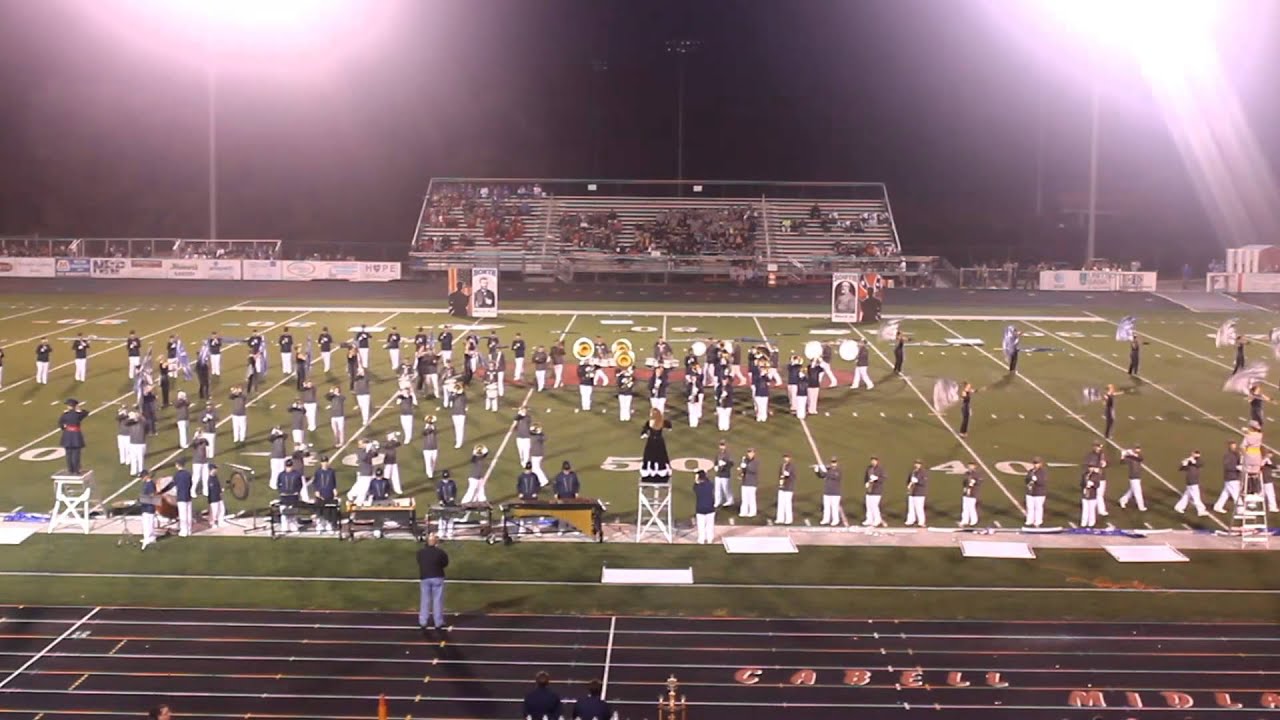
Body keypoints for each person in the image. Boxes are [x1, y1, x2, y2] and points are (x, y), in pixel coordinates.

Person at [417, 533, 449, 633]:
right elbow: (445, 563)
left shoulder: (421, 553)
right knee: (437, 600)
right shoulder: (440, 552)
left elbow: (419, 561)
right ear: (436, 542)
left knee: (425, 600)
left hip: (425, 577)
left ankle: (423, 622)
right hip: (437, 577)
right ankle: (438, 623)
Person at [639, 409, 673, 482]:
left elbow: (644, 430)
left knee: (650, 455)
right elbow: (669, 426)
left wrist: (644, 434)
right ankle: (660, 469)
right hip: (659, 440)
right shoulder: (661, 421)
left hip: (651, 441)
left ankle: (651, 470)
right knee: (660, 454)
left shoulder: (650, 422)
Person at [58, 399, 90, 475]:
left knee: (68, 454)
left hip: (67, 435)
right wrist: (79, 409)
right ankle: (76, 470)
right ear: (75, 406)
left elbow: (60, 424)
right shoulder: (78, 414)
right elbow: (86, 413)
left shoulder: (65, 414)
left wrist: (65, 428)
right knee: (76, 454)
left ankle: (70, 469)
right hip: (76, 435)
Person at [1175, 450, 1208, 516]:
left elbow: (1200, 464)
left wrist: (1193, 461)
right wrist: (1184, 464)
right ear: (1192, 454)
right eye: (1195, 454)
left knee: (1186, 496)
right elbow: (1181, 469)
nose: (1197, 455)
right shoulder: (1189, 462)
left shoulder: (1198, 461)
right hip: (1192, 482)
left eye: (1198, 454)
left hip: (1193, 482)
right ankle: (1201, 510)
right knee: (1196, 498)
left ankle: (1179, 507)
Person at [1215, 439, 1242, 514]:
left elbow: (1240, 462)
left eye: (1235, 445)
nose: (1234, 447)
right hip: (1230, 477)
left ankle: (1218, 506)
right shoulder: (1227, 455)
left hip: (1235, 477)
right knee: (1236, 494)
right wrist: (1236, 467)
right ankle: (1240, 509)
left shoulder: (1237, 454)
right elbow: (1227, 466)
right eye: (1232, 446)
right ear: (1229, 446)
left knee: (1225, 493)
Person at [1118, 445, 1147, 512]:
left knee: (1131, 491)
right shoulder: (1130, 458)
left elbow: (1140, 459)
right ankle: (1141, 506)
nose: (1138, 450)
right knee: (1138, 492)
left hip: (1138, 477)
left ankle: (1122, 500)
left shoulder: (1138, 456)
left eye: (1138, 448)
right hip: (1133, 477)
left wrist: (1130, 454)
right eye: (1136, 448)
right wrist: (1123, 455)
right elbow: (1122, 462)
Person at [816, 457, 842, 526]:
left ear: (836, 463)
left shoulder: (838, 471)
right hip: (827, 492)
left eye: (834, 462)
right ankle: (826, 519)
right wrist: (817, 471)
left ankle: (836, 520)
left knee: (834, 507)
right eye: (832, 462)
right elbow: (821, 476)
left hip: (835, 493)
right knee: (826, 507)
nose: (833, 464)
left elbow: (834, 476)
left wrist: (826, 470)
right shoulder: (828, 470)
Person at [693, 469, 716, 544]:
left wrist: (696, 479)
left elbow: (695, 486)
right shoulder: (710, 485)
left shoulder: (697, 487)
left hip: (700, 509)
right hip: (710, 508)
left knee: (701, 526)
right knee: (710, 525)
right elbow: (709, 482)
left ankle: (701, 540)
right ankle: (710, 539)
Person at [1024, 457, 1047, 526]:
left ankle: (1038, 521)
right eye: (1034, 463)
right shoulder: (1031, 471)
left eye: (1037, 463)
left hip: (1039, 493)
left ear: (1040, 464)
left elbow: (1042, 483)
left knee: (1038, 508)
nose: (1035, 464)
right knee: (1029, 507)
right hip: (1030, 492)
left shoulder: (1043, 472)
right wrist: (1029, 480)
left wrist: (1036, 480)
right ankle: (1029, 520)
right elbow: (1026, 480)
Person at [863, 457, 886, 527]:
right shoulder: (869, 468)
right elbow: (866, 477)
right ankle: (869, 519)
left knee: (874, 505)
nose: (873, 462)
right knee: (868, 505)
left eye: (874, 461)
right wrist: (866, 483)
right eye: (872, 460)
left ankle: (877, 519)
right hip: (869, 490)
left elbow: (884, 478)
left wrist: (877, 478)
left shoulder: (880, 469)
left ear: (877, 461)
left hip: (876, 490)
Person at [906, 459, 929, 527]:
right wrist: (909, 486)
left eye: (918, 464)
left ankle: (921, 522)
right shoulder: (912, 472)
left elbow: (924, 482)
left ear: (921, 465)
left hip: (919, 493)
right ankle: (910, 521)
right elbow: (908, 480)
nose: (917, 465)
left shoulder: (923, 472)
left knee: (919, 508)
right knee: (911, 508)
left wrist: (918, 481)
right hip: (912, 492)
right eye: (916, 463)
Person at [738, 447, 759, 517]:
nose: (750, 454)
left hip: (752, 483)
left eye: (751, 453)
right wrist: (741, 469)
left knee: (751, 499)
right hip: (745, 482)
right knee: (744, 498)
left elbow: (753, 470)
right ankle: (744, 511)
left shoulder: (756, 461)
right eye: (749, 452)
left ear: (754, 453)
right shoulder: (745, 460)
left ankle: (752, 512)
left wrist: (746, 467)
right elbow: (743, 471)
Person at [775, 453, 795, 525]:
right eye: (785, 457)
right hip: (782, 487)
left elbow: (790, 475)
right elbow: (780, 475)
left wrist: (786, 474)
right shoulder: (782, 465)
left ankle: (788, 519)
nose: (786, 458)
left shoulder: (791, 466)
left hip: (789, 487)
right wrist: (780, 481)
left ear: (790, 458)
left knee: (787, 503)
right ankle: (780, 518)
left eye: (787, 457)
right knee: (780, 503)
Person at [960, 461, 982, 526]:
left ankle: (974, 521)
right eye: (969, 466)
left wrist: (974, 482)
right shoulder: (966, 473)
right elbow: (964, 482)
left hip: (973, 493)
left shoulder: (977, 474)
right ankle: (965, 520)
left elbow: (979, 482)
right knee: (965, 507)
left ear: (974, 466)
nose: (970, 467)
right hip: (966, 493)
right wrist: (965, 488)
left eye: (971, 466)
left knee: (971, 507)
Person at [206, 463, 225, 529]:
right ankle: (212, 523)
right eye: (215, 468)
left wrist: (220, 491)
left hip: (219, 497)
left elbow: (218, 486)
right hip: (213, 499)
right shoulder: (208, 479)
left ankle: (220, 522)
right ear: (211, 469)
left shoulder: (215, 477)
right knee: (214, 512)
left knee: (222, 510)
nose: (216, 470)